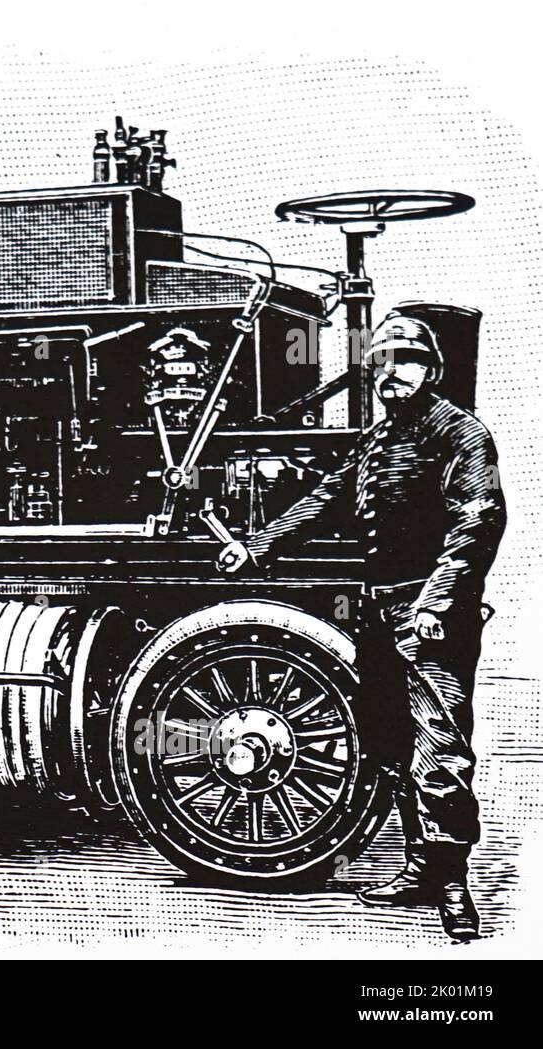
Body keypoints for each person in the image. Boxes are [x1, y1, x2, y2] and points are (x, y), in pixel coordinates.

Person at [217, 312, 506, 940]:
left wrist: (435, 602)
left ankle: (454, 887)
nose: (391, 375)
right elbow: (326, 498)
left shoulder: (459, 434)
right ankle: (419, 872)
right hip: (379, 611)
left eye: (405, 362)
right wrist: (258, 545)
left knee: (441, 753)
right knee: (390, 746)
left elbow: (478, 522)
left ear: (431, 369)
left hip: (431, 614)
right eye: (380, 364)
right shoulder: (376, 440)